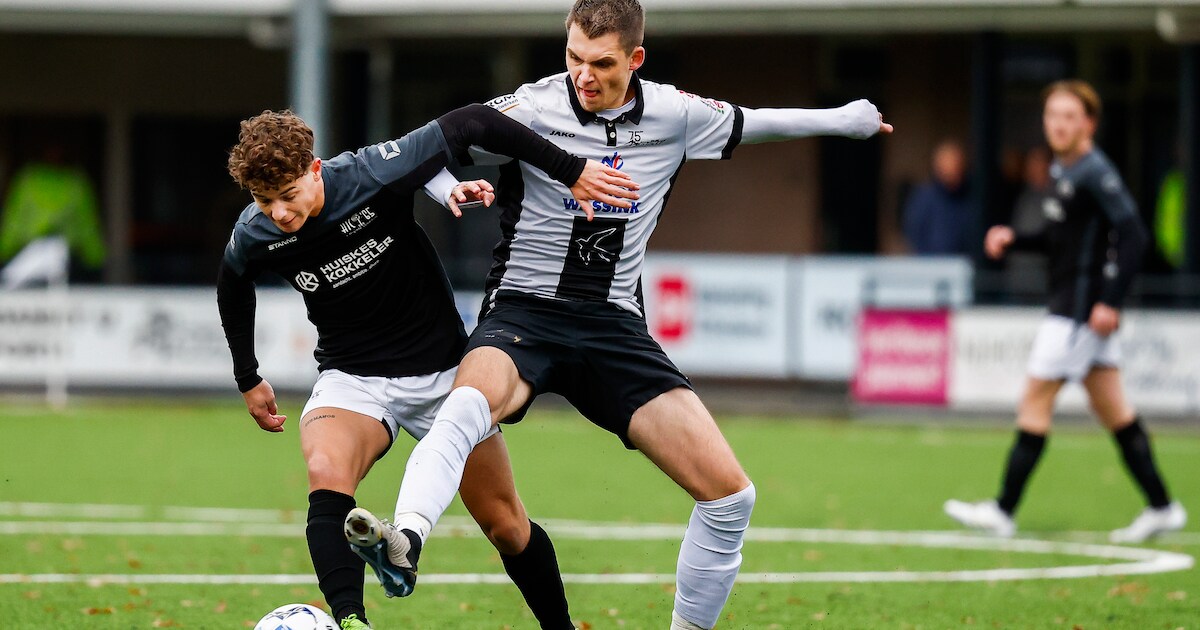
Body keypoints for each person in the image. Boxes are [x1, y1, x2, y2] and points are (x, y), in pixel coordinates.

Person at [342, 2, 891, 629]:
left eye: (602, 63)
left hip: (612, 327)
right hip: (525, 312)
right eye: (574, 57)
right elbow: (430, 148)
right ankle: (405, 539)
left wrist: (846, 120)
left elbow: (756, 122)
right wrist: (449, 188)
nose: (584, 74)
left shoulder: (674, 114)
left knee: (731, 497)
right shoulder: (531, 107)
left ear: (636, 59)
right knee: (465, 406)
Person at [217, 106, 637, 629]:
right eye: (264, 201)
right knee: (326, 472)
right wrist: (248, 376)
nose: (278, 213)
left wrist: (570, 170)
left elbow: (475, 122)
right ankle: (351, 621)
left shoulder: (371, 172)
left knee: (506, 524)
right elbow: (232, 282)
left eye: (288, 195)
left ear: (316, 168)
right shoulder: (256, 232)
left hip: (443, 376)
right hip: (353, 379)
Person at [943, 80, 1186, 543]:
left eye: (1069, 116)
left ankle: (1003, 510)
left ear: (1088, 123)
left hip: (1076, 313)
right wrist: (1016, 239)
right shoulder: (1063, 169)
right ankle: (1162, 506)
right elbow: (1061, 241)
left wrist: (1110, 301)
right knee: (1114, 409)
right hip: (1075, 310)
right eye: (1052, 115)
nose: (1058, 124)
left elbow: (1134, 235)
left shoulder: (1096, 171)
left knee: (1034, 401)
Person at [903, 139, 970, 256]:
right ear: (938, 167)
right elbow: (914, 230)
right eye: (949, 165)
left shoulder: (970, 197)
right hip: (931, 264)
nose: (953, 171)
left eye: (956, 165)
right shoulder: (924, 197)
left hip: (963, 263)